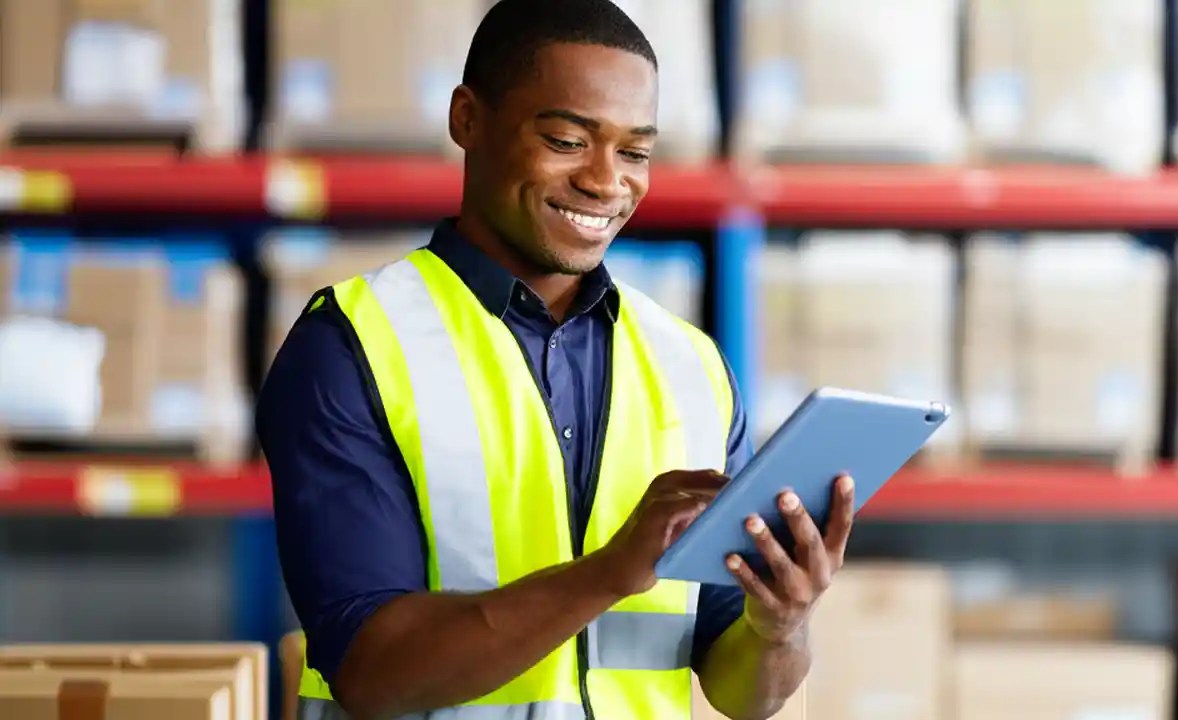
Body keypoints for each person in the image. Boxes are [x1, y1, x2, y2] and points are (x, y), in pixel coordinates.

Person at [257, 1, 855, 718]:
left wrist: (780, 627)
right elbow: (372, 669)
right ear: (468, 120)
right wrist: (607, 573)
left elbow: (736, 690)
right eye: (569, 140)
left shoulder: (691, 368)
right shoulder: (352, 344)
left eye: (634, 152)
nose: (607, 182)